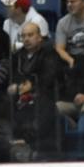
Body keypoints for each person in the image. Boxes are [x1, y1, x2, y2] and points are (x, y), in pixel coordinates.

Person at [7, 21, 60, 153]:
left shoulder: (49, 53)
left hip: (45, 95)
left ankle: (29, 141)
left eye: (30, 35)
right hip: (21, 97)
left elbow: (50, 76)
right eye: (23, 36)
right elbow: (11, 76)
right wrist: (15, 86)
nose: (26, 39)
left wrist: (31, 85)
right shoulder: (18, 56)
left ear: (39, 37)